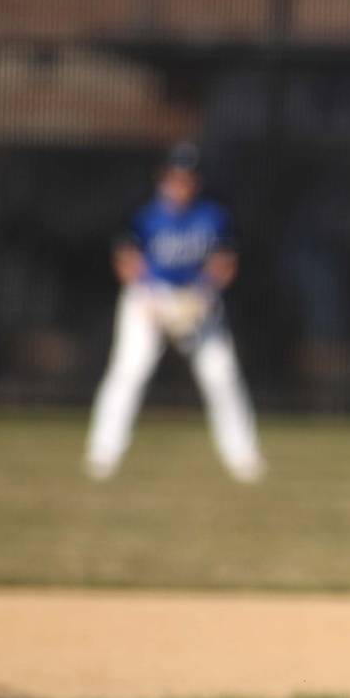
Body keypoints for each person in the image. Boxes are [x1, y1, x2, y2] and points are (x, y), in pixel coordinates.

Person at [84, 143, 266, 483]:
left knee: (221, 374)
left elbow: (225, 262)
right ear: (163, 178)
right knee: (128, 371)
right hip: (148, 299)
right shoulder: (143, 211)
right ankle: (103, 453)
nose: (181, 185)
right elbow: (125, 259)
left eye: (187, 178)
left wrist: (201, 295)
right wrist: (151, 297)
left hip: (197, 299)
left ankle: (243, 456)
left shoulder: (213, 214)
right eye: (175, 177)